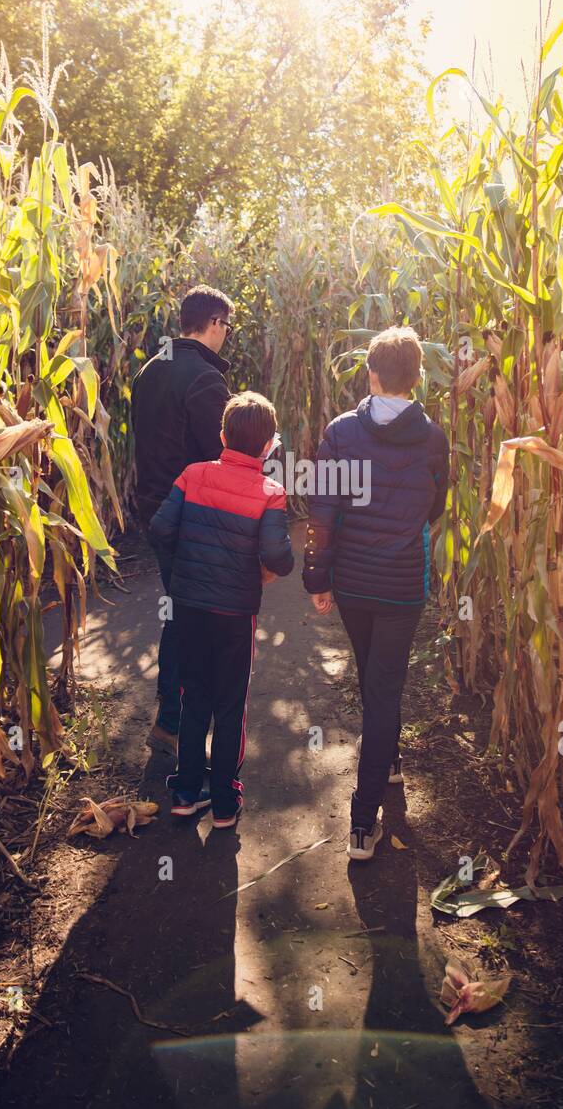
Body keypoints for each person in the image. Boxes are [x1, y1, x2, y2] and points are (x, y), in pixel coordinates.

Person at [303, 326, 449, 860]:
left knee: (375, 680)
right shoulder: (433, 437)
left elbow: (322, 510)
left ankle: (363, 820)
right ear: (417, 378)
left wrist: (318, 577)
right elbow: (437, 500)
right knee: (382, 684)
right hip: (403, 583)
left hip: (356, 584)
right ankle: (380, 775)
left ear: (371, 373)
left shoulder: (341, 432)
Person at [148, 392, 294, 827]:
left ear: (222, 435)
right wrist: (262, 568)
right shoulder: (270, 492)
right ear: (268, 446)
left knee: (193, 697)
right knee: (231, 705)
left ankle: (186, 792)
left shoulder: (192, 475)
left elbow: (160, 530)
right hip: (236, 614)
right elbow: (280, 557)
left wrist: (186, 571)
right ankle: (226, 804)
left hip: (189, 608)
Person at [131, 285, 234, 764]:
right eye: (227, 326)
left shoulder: (150, 372)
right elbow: (223, 457)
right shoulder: (205, 380)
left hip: (154, 509)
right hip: (192, 514)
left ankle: (171, 720)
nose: (227, 336)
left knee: (178, 608)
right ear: (214, 323)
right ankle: (176, 724)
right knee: (194, 617)